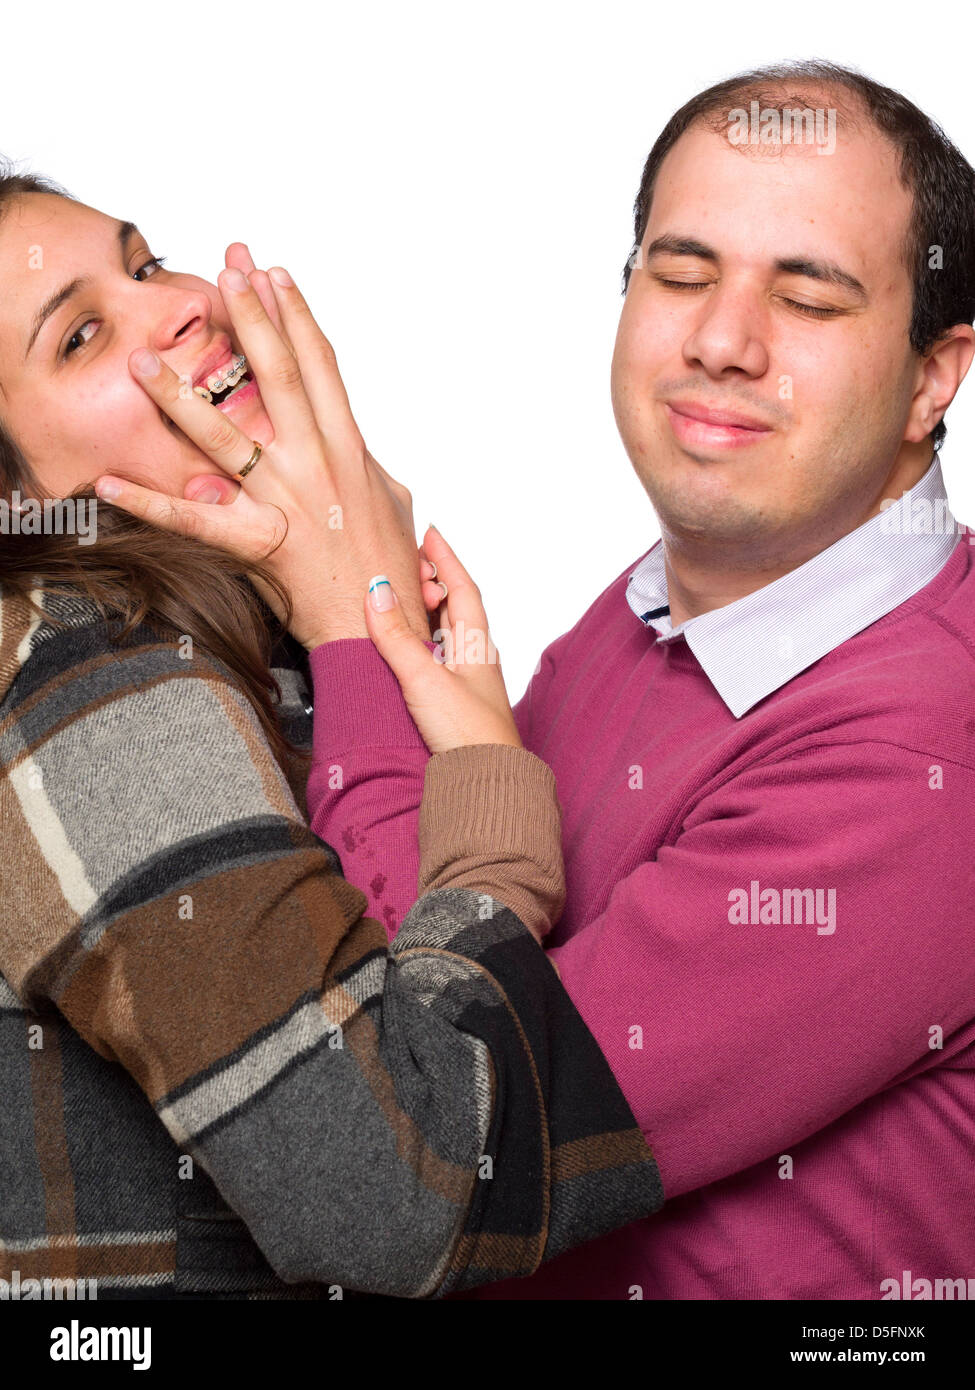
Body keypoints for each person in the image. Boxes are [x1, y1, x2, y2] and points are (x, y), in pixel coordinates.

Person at [110, 58, 975, 1301]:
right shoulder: (668, 606)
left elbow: (444, 1136)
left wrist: (359, 625)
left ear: (934, 376)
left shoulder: (918, 752)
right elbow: (465, 921)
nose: (722, 342)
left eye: (812, 299)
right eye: (680, 273)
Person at [0, 168, 665, 1300]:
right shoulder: (95, 691)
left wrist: (351, 597)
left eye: (147, 260)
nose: (183, 305)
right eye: (79, 337)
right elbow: (407, 1201)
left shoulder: (203, 642)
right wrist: (493, 819)